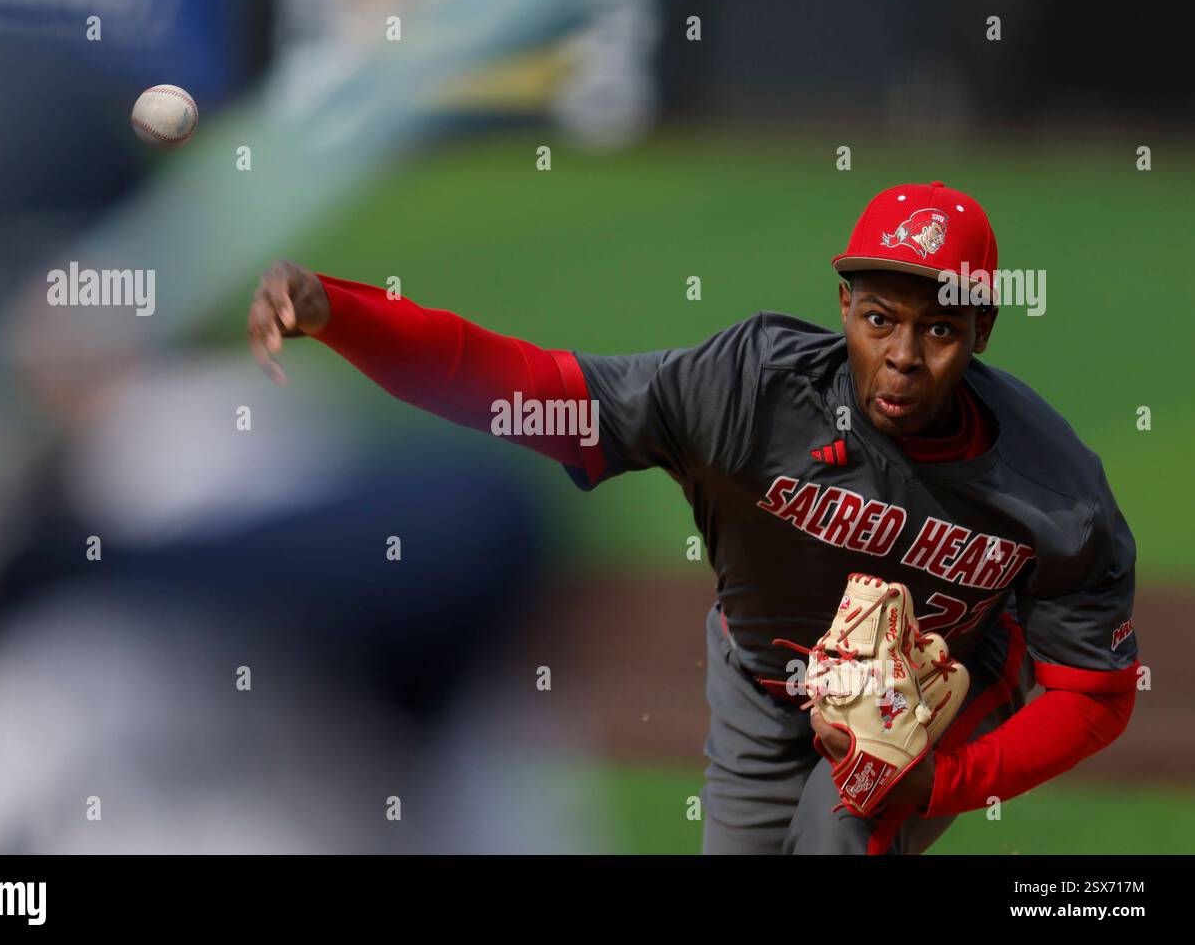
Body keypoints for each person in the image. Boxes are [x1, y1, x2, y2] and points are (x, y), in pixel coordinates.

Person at [245, 181, 1141, 854]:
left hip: (922, 695)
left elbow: (1091, 694)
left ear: (981, 329)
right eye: (879, 319)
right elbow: (539, 392)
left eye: (938, 330)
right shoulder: (749, 389)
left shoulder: (1054, 488)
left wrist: (948, 775)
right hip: (759, 676)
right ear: (844, 307)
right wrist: (342, 312)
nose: (902, 356)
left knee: (840, 828)